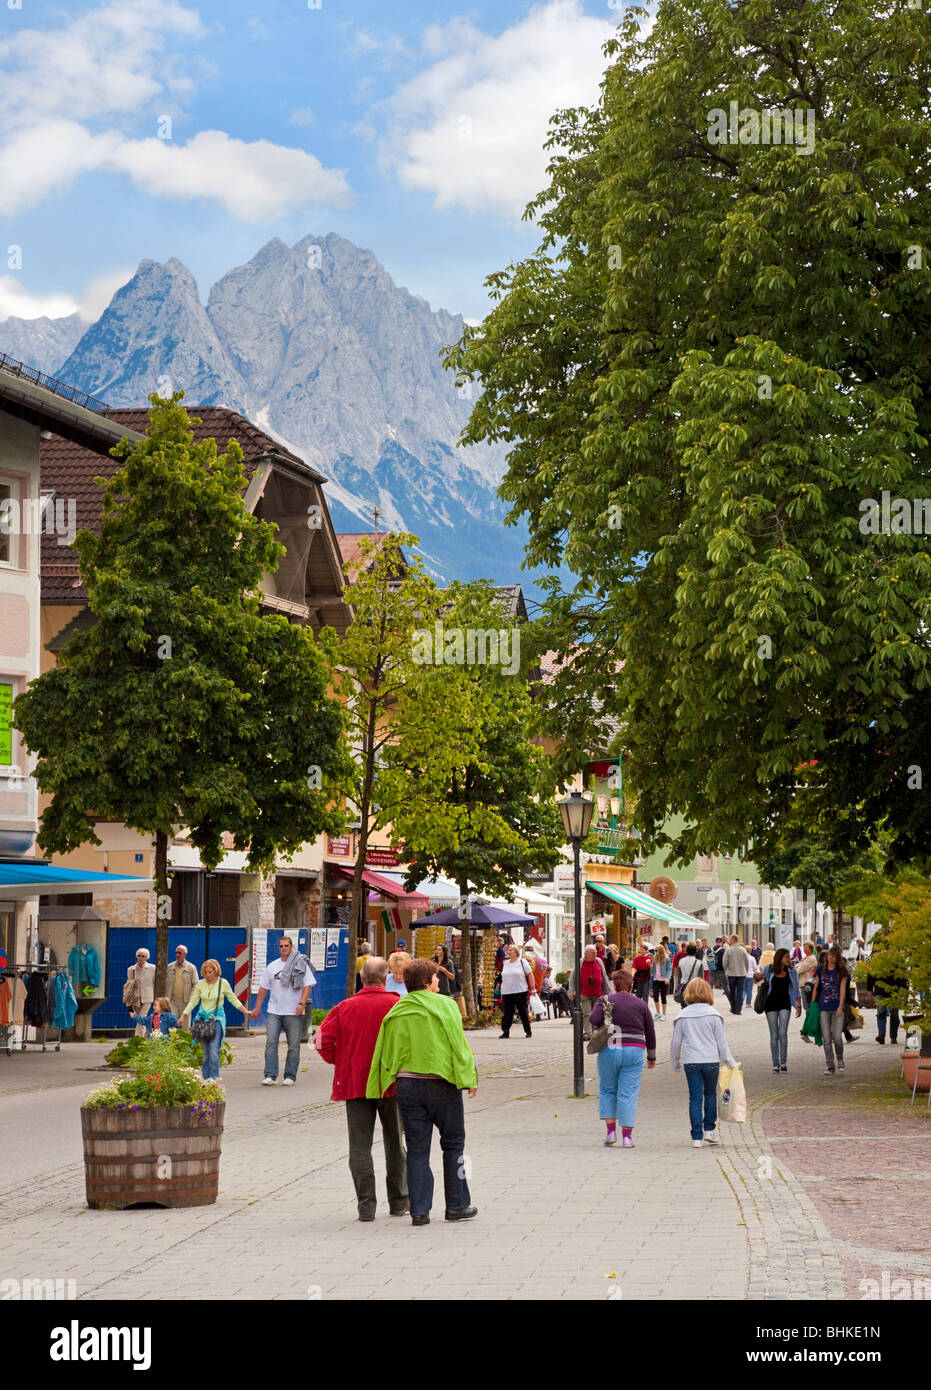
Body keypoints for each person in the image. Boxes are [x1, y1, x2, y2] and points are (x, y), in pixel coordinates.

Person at [366, 957, 478, 1226]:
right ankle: (458, 1205)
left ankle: (419, 1211)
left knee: (416, 1150)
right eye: (436, 977)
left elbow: (384, 1049)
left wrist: (379, 1083)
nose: (439, 981)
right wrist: (469, 1077)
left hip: (407, 1085)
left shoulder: (397, 1009)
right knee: (454, 1145)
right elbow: (458, 1045)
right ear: (427, 983)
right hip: (442, 1084)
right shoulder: (446, 1006)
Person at [315, 956, 409, 1221]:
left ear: (362, 978)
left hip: (355, 1083)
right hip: (391, 1084)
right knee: (395, 1143)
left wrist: (340, 1059)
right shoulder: (397, 1006)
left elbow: (321, 1039)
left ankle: (366, 1206)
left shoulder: (345, 1007)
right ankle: (400, 1200)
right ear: (384, 977)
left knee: (359, 1147)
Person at [589, 973, 656, 1147]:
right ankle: (627, 1137)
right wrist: (651, 1056)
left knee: (607, 1090)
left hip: (610, 1049)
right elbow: (650, 1031)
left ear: (614, 985)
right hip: (634, 1051)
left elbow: (593, 1019)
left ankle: (611, 1133)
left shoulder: (604, 1000)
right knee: (628, 1094)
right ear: (631, 984)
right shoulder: (640, 1004)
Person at [670, 977, 739, 1148]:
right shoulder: (714, 1015)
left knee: (694, 1098)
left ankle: (696, 1137)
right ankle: (709, 1130)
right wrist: (730, 1063)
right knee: (710, 1094)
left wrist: (675, 1062)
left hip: (691, 1062)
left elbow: (676, 1042)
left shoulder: (682, 1016)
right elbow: (721, 1044)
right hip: (711, 1061)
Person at [251, 935, 316, 1086]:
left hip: (293, 1011)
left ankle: (290, 1075)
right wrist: (257, 1007)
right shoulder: (272, 966)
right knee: (271, 1042)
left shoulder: (300, 964)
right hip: (274, 1010)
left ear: (291, 947)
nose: (284, 949)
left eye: (286, 946)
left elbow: (307, 986)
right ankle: (270, 1075)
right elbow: (263, 988)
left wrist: (302, 1004)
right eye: (281, 946)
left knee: (293, 1045)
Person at [179, 959, 249, 1079]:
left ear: (216, 971)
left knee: (213, 1050)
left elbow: (233, 999)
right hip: (202, 1020)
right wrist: (183, 1015)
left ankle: (214, 1078)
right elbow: (194, 1001)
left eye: (210, 972)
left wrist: (246, 1011)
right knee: (206, 1052)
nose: (208, 975)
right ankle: (206, 1079)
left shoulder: (223, 983)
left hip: (217, 1019)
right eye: (205, 972)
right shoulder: (200, 984)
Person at [754, 948, 802, 1073]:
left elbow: (796, 989)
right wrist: (756, 976)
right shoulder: (769, 969)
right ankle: (775, 1063)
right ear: (780, 957)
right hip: (770, 1005)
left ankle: (783, 1061)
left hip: (785, 1004)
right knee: (774, 1035)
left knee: (783, 1033)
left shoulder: (791, 971)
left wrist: (799, 1005)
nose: (789, 959)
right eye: (786, 957)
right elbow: (758, 980)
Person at [812, 944, 849, 1075]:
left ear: (837, 957)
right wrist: (812, 1004)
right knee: (826, 1038)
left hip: (837, 1007)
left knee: (837, 1037)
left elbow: (843, 988)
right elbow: (816, 986)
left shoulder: (841, 971)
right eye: (829, 955)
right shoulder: (821, 969)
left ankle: (840, 1058)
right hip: (823, 1007)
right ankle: (830, 1065)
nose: (831, 957)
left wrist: (840, 1006)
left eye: (833, 955)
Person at [569, 945, 612, 1039]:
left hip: (598, 993)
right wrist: (571, 991)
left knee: (597, 1013)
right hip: (585, 993)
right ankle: (588, 1033)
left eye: (596, 952)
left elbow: (604, 977)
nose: (595, 954)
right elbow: (573, 978)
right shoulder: (580, 962)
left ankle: (596, 1031)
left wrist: (609, 993)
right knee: (587, 1013)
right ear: (586, 954)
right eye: (593, 953)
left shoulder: (599, 961)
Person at [498, 944, 535, 1039]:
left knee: (523, 1012)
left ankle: (528, 1031)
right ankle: (505, 1031)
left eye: (511, 950)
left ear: (516, 952)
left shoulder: (522, 962)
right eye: (508, 950)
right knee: (507, 1013)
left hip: (520, 991)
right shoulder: (505, 963)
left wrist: (533, 988)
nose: (509, 952)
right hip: (507, 992)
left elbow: (530, 975)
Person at [167, 945, 198, 1031]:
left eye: (180, 953)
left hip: (186, 1001)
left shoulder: (191, 968)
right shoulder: (169, 967)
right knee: (172, 1025)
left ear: (185, 954)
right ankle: (172, 1043)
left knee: (185, 1026)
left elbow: (196, 984)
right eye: (176, 952)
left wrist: (191, 999)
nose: (177, 954)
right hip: (172, 1000)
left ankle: (184, 1044)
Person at [126, 948, 156, 1037]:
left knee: (142, 1016)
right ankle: (146, 1035)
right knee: (138, 1017)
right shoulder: (131, 969)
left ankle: (138, 1037)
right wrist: (132, 983)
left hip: (147, 996)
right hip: (136, 997)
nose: (140, 957)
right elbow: (128, 982)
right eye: (139, 955)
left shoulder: (152, 968)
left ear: (146, 957)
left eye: (143, 956)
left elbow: (155, 982)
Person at [723, 935, 750, 1016]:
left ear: (733, 940)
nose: (729, 941)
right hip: (741, 973)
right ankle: (738, 1010)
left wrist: (726, 971)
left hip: (731, 973)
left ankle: (733, 1008)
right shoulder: (743, 950)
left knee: (732, 991)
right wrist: (746, 971)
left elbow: (724, 962)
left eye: (730, 939)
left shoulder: (729, 950)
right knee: (740, 992)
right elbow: (746, 962)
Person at [651, 944, 672, 1021]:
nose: (655, 952)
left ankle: (664, 1014)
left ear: (660, 951)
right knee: (655, 996)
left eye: (656, 950)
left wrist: (667, 978)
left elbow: (669, 969)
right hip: (656, 979)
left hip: (664, 980)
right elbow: (654, 969)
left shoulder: (667, 959)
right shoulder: (655, 958)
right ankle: (658, 1013)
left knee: (663, 997)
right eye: (655, 950)